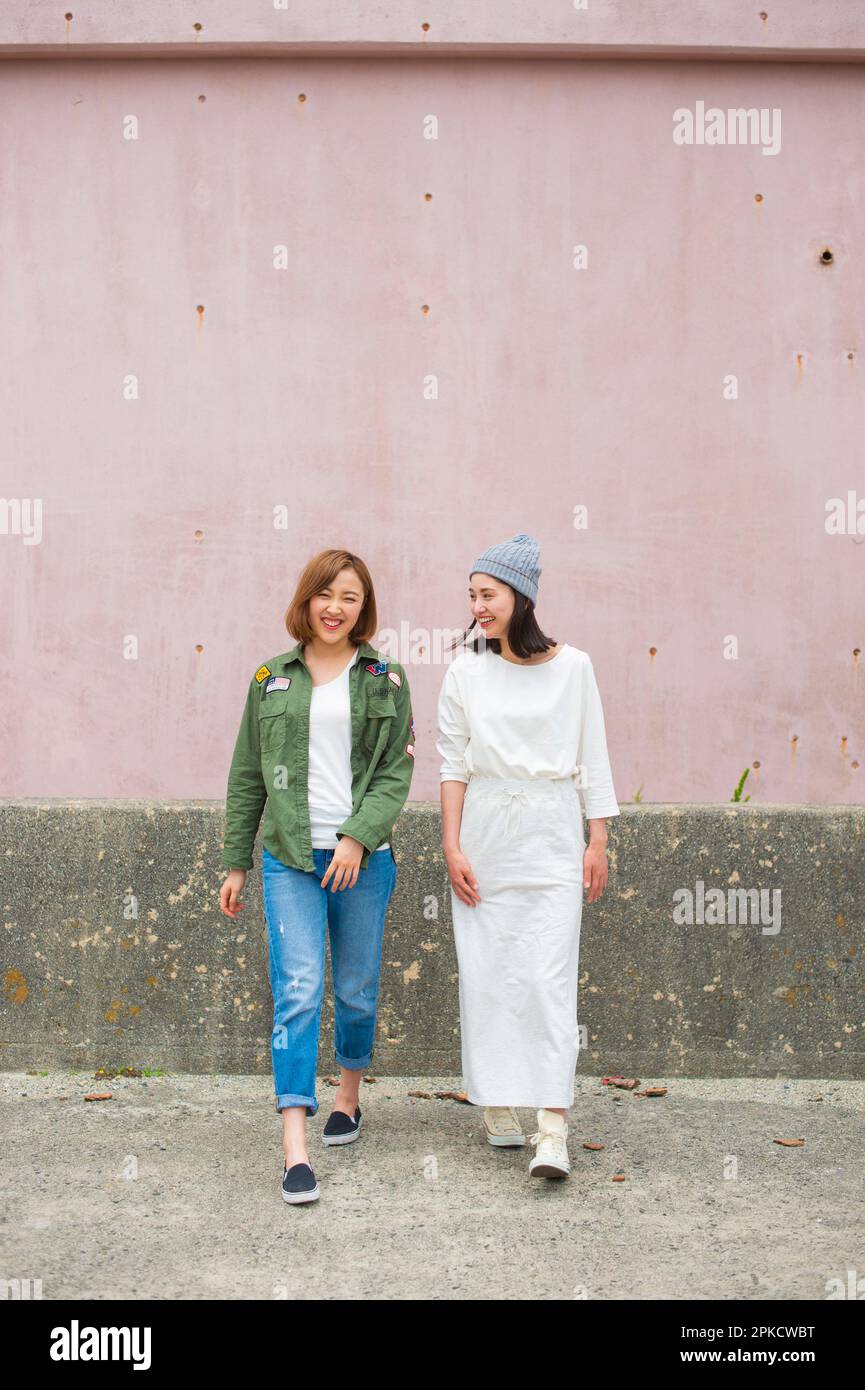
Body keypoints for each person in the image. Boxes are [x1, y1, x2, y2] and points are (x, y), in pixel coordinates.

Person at [219, 549, 415, 1205]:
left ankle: (349, 1096)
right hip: (289, 860)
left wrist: (359, 836)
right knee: (298, 988)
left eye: (350, 597)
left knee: (356, 990)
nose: (336, 607)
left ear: (365, 608)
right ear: (306, 600)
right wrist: (235, 860)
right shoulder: (269, 679)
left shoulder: (386, 680)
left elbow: (394, 774)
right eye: (325, 594)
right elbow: (247, 773)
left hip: (364, 862)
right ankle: (294, 1148)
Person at [436, 532, 620, 1179]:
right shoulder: (464, 670)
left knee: (547, 980)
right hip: (486, 833)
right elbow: (452, 764)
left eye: (486, 594)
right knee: (488, 975)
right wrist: (451, 843)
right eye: (471, 596)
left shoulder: (574, 669)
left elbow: (592, 756)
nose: (477, 606)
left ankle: (552, 1129)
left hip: (549, 833)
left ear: (520, 596)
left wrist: (596, 839)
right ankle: (495, 1100)